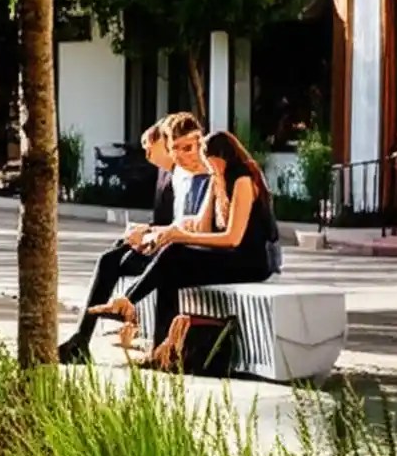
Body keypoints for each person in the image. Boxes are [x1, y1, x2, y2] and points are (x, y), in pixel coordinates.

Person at [86, 130, 280, 348]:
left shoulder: (243, 180)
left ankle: (127, 301)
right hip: (228, 255)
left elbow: (233, 239)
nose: (212, 169)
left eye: (214, 164)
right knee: (170, 269)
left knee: (174, 253)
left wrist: (182, 237)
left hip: (250, 260)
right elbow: (203, 227)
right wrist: (166, 233)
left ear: (225, 157)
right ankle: (161, 350)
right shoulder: (217, 180)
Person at [58, 113, 211, 363]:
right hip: (170, 241)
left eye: (184, 147)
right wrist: (144, 232)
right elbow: (170, 220)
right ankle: (82, 337)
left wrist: (152, 233)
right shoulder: (171, 175)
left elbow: (193, 224)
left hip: (182, 246)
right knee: (111, 257)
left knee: (156, 262)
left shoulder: (199, 174)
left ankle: (128, 315)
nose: (148, 156)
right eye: (176, 147)